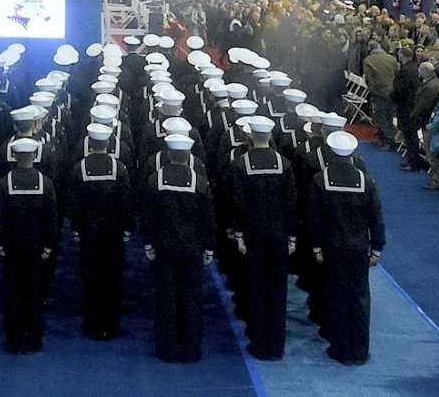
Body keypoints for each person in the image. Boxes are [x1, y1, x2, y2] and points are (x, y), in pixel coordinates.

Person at [306, 129, 385, 364]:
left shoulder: (320, 180)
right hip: (359, 246)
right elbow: (376, 218)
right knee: (360, 298)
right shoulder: (365, 181)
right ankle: (360, 350)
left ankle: (340, 348)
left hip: (332, 247)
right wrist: (377, 248)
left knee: (337, 296)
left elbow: (314, 218)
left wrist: (316, 247)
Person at [225, 115, 297, 360]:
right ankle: (276, 345)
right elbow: (291, 203)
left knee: (256, 288)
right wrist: (292, 237)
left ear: (249, 137)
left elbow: (237, 203)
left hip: (254, 234)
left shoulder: (239, 164)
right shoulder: (284, 164)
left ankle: (259, 343)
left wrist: (238, 234)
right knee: (278, 290)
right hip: (279, 234)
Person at [143, 131, 217, 363]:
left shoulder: (155, 180)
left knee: (166, 298)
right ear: (188, 155)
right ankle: (191, 347)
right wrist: (209, 248)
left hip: (164, 248)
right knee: (192, 299)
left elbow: (148, 217)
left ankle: (167, 348)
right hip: (192, 249)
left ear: (168, 154)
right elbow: (208, 219)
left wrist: (148, 244)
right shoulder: (200, 182)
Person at [0, 137, 58, 354]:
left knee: (12, 292)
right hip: (36, 248)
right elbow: (52, 218)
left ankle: (14, 337)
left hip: (11, 248)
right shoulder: (46, 183)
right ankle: (34, 335)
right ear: (34, 156)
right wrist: (49, 246)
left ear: (15, 156)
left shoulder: (4, 183)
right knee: (34, 291)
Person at [68, 121, 130, 340]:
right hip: (113, 233)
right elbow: (126, 202)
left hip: (89, 233)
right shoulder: (119, 168)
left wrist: (76, 229)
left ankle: (92, 323)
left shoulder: (80, 168)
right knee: (112, 278)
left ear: (90, 143)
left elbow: (74, 203)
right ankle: (111, 324)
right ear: (109, 143)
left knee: (91, 278)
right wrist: (126, 228)